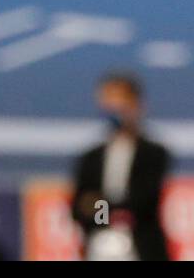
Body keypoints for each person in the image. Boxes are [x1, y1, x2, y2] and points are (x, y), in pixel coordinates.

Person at [70, 72, 172, 260]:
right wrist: (110, 211)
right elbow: (78, 208)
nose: (114, 108)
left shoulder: (153, 153)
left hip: (141, 247)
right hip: (98, 246)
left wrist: (100, 204)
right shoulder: (90, 157)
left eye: (120, 100)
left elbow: (142, 201)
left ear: (136, 104)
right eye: (108, 100)